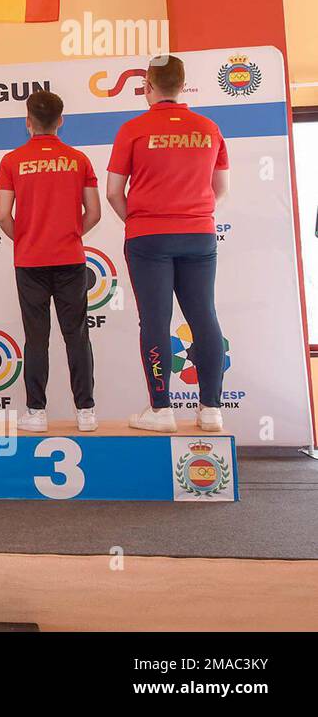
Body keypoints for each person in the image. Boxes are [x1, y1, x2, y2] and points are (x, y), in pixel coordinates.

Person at [106, 55, 229, 433]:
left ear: (147, 85)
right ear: (182, 83)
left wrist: (140, 222)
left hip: (148, 237)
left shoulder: (133, 129)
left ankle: (161, 410)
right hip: (199, 234)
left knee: (156, 321)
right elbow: (220, 189)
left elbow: (113, 192)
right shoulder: (209, 128)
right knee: (204, 316)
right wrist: (192, 213)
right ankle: (210, 410)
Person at [0, 91, 100, 433]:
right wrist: (70, 235)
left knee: (35, 337)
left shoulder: (11, 161)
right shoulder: (78, 159)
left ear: (28, 122)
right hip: (70, 259)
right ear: (61, 121)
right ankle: (86, 412)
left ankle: (36, 412)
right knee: (77, 335)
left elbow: (2, 215)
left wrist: (27, 240)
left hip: (31, 261)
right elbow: (94, 213)